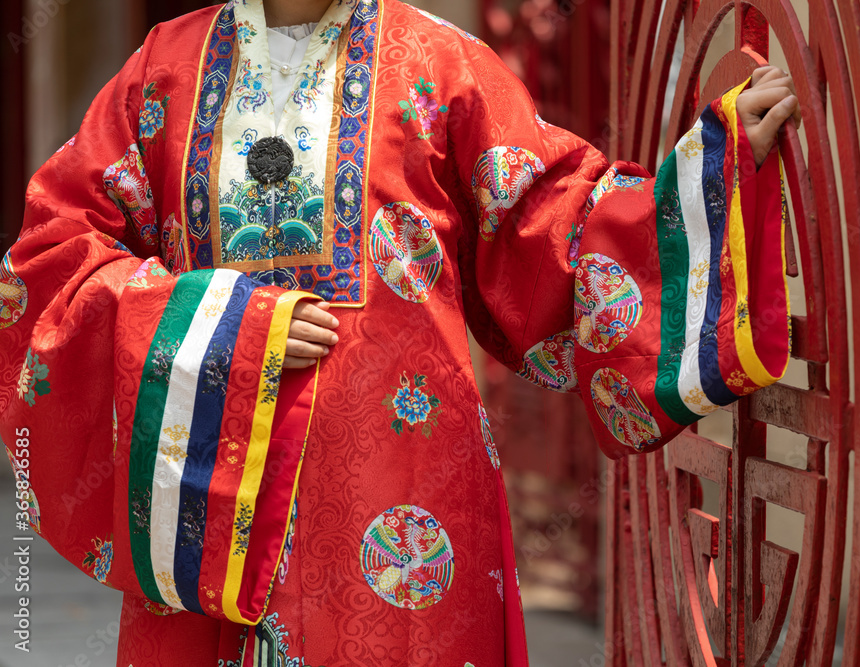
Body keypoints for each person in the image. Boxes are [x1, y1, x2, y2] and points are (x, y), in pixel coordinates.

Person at [0, 0, 799, 664]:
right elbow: (50, 263)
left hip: (406, 491)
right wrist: (221, 326)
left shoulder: (442, 63)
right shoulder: (162, 71)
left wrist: (708, 176)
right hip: (213, 484)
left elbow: (554, 222)